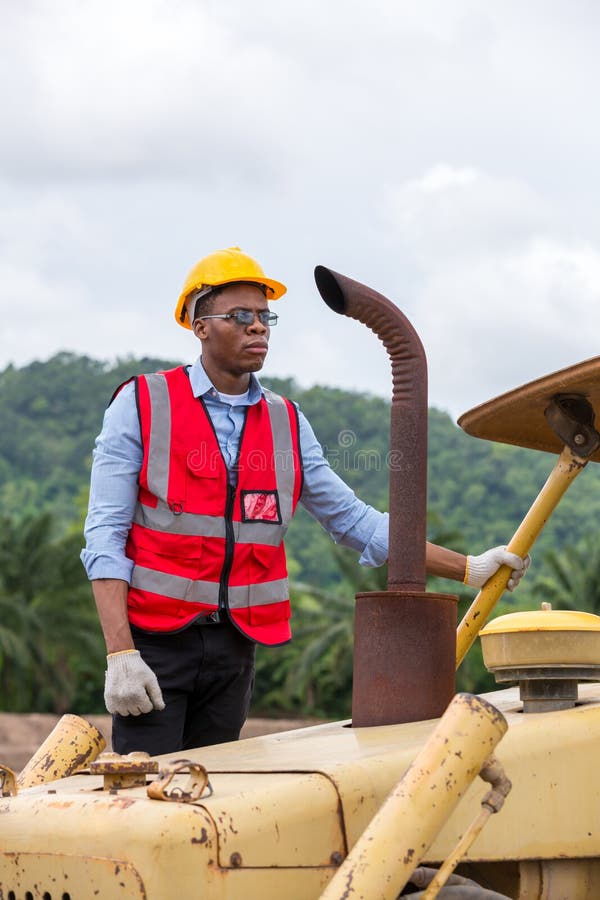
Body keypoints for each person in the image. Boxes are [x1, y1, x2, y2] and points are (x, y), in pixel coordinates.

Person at [81, 246, 529, 756]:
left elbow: (355, 522)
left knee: (211, 798)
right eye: (241, 316)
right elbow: (104, 536)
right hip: (155, 645)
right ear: (200, 326)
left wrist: (469, 568)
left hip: (235, 648)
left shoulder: (286, 421)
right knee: (145, 802)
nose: (259, 328)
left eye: (265, 316)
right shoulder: (141, 404)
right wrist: (121, 653)